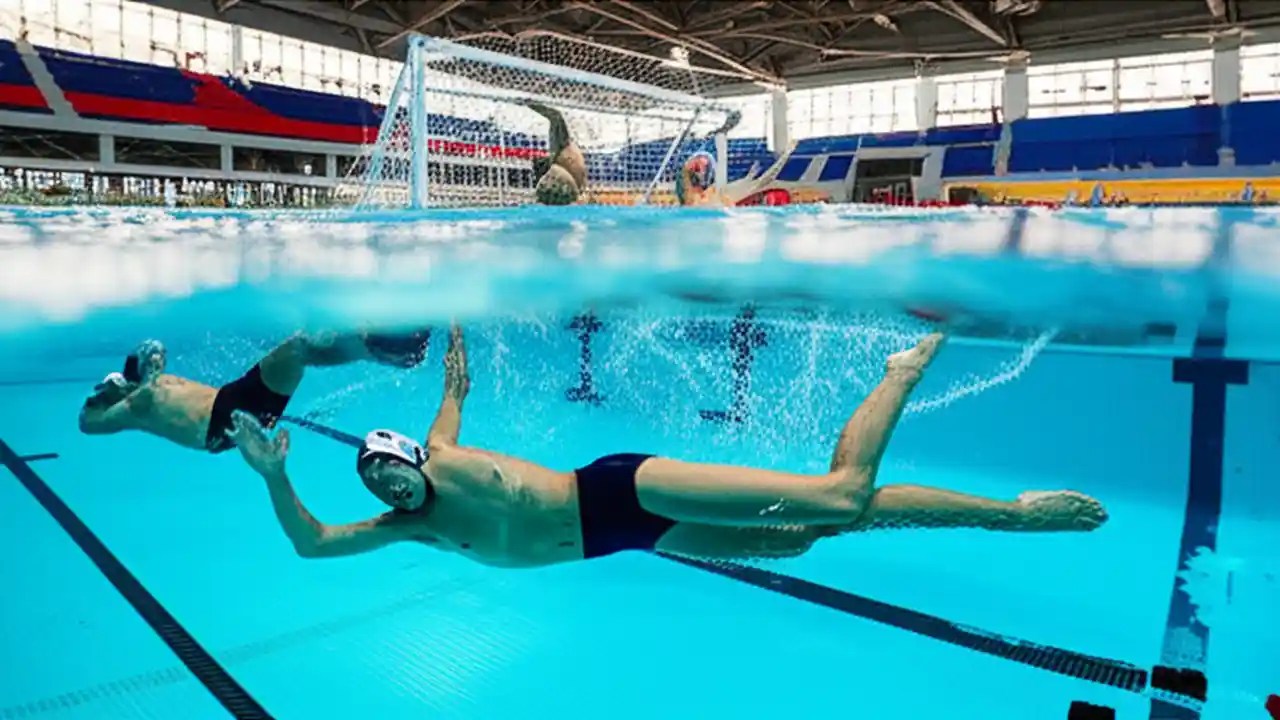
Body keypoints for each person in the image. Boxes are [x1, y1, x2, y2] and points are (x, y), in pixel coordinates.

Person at [227, 325, 1108, 566]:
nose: (390, 488)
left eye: (392, 469)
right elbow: (312, 543)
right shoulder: (405, 528)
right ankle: (991, 510)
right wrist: (271, 477)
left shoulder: (444, 460)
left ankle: (909, 385)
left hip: (623, 493)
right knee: (808, 537)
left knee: (839, 497)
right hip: (630, 540)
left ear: (414, 461)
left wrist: (456, 316)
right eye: (378, 485)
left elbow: (452, 394)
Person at [79, 329, 430, 454]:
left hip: (228, 407)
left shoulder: (153, 388)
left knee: (300, 349)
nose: (154, 362)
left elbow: (156, 368)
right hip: (221, 424)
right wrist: (103, 396)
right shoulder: (134, 406)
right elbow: (88, 424)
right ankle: (385, 351)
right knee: (299, 348)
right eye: (147, 362)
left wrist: (147, 367)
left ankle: (381, 349)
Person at [675, 139, 799, 208]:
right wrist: (786, 154)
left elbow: (767, 178)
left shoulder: (718, 195)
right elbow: (767, 178)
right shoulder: (719, 196)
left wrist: (786, 155)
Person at [526, 101, 586, 206]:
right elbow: (556, 117)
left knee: (557, 117)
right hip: (563, 157)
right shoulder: (564, 153)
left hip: (562, 158)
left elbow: (556, 117)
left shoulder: (563, 156)